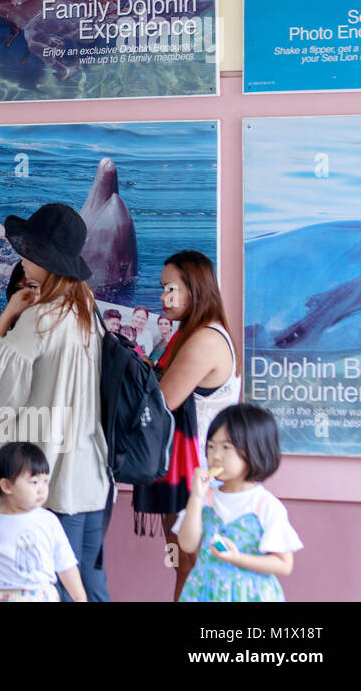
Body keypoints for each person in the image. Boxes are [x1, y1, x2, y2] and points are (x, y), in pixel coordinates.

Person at [0, 203, 110, 602]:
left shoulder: (41, 318)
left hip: (49, 477)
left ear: (48, 261)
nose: (22, 260)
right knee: (91, 589)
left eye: (29, 252)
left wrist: (8, 314)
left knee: (51, 589)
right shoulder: (87, 311)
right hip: (90, 472)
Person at [131, 249, 240, 600]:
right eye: (162, 288)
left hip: (199, 476)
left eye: (170, 288)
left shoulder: (203, 340)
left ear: (195, 289)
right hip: (194, 475)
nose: (163, 297)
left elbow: (161, 401)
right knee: (185, 567)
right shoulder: (194, 334)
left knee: (190, 572)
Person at [174, 405, 301, 602]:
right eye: (210, 446)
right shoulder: (205, 498)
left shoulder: (265, 505)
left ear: (255, 450)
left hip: (250, 595)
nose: (215, 456)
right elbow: (187, 545)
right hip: (204, 592)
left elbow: (284, 564)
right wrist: (196, 498)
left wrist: (237, 559)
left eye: (226, 447)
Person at [0, 442, 88, 602]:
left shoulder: (48, 521)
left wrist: (80, 598)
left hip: (40, 596)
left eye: (45, 481)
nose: (42, 488)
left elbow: (66, 565)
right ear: (7, 486)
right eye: (34, 482)